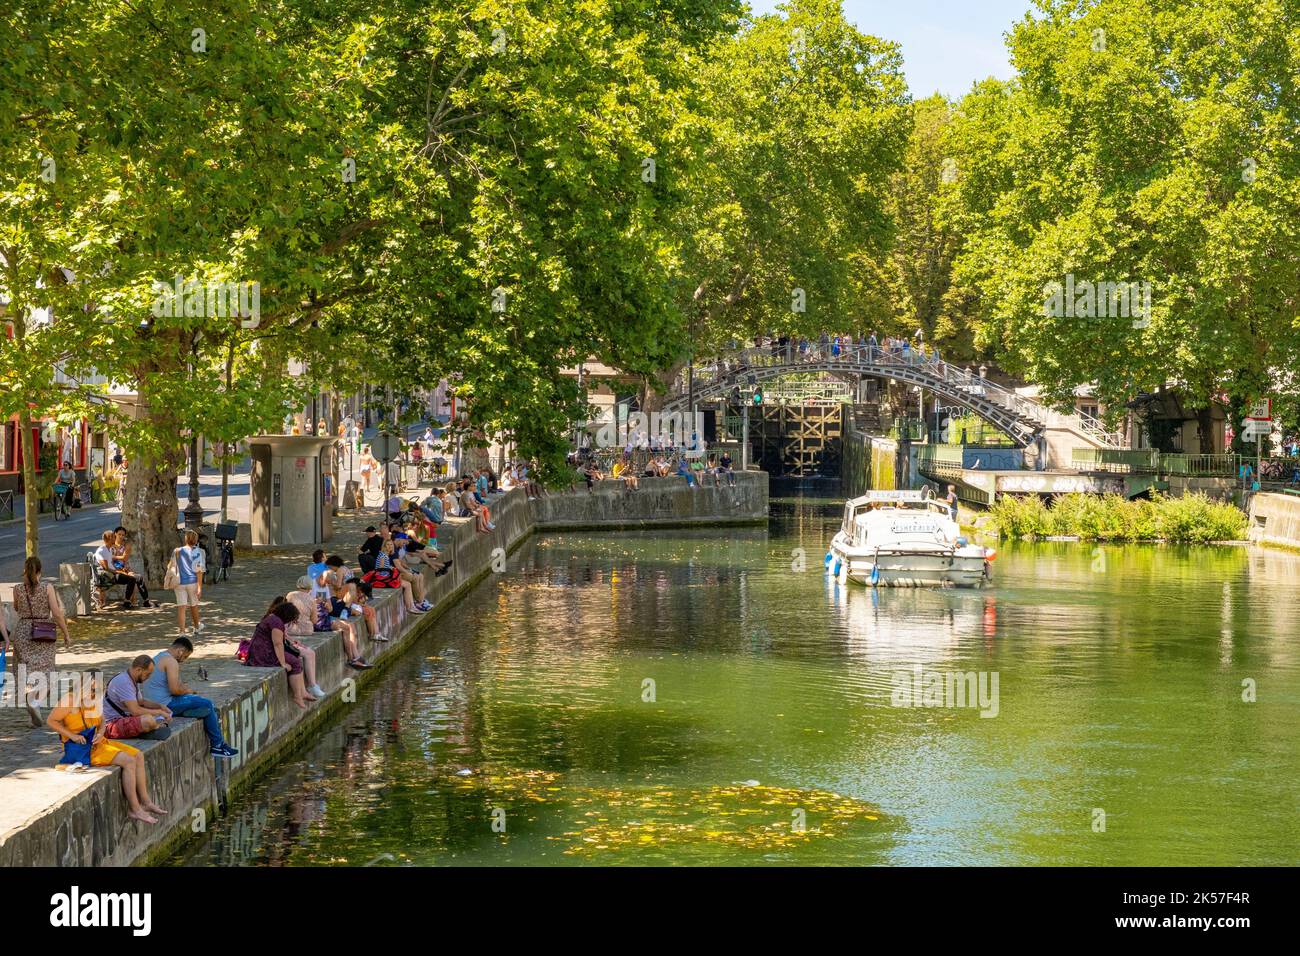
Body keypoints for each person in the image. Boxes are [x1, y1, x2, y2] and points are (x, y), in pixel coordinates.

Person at [47, 671, 166, 824]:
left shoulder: (93, 700)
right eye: (92, 689)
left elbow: (102, 721)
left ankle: (146, 801)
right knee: (129, 761)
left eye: (97, 690)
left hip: (99, 743)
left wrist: (101, 732)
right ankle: (135, 809)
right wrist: (72, 735)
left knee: (138, 755)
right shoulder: (69, 700)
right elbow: (51, 721)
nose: (95, 694)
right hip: (83, 748)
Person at [141, 638, 238, 757]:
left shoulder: (159, 657)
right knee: (207, 704)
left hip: (154, 702)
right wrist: (189, 691)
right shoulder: (171, 661)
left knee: (203, 706)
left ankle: (190, 712)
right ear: (180, 651)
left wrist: (186, 692)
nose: (184, 660)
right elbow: (175, 690)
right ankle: (217, 745)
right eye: (185, 656)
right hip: (165, 704)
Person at [10, 556, 71, 727]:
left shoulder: (17, 588)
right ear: (40, 571)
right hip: (44, 631)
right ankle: (35, 702)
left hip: (23, 631)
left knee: (26, 671)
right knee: (48, 671)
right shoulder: (47, 588)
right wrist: (66, 633)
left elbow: (16, 607)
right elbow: (57, 613)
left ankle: (32, 708)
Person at [248, 602, 317, 708]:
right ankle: (297, 696)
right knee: (295, 662)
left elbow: (282, 638)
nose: (291, 622)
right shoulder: (276, 623)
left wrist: (293, 640)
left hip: (264, 650)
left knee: (296, 659)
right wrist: (283, 663)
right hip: (263, 653)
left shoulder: (274, 619)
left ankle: (302, 692)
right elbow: (278, 644)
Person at [102, 655, 174, 741]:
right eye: (148, 674)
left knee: (151, 716)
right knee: (148, 720)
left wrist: (160, 706)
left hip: (125, 718)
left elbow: (141, 702)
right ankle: (153, 727)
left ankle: (152, 728)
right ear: (139, 670)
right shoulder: (124, 682)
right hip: (111, 725)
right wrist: (159, 712)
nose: (149, 677)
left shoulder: (131, 679)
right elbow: (135, 711)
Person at [172, 530, 205, 636]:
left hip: (180, 582)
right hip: (192, 582)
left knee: (181, 607)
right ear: (196, 540)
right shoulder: (198, 552)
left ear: (185, 539)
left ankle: (182, 631)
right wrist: (200, 587)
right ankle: (196, 627)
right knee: (194, 605)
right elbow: (199, 570)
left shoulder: (177, 550)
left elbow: (171, 566)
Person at [94, 530, 137, 611]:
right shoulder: (101, 551)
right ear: (110, 538)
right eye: (114, 537)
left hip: (112, 573)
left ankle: (128, 601)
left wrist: (121, 569)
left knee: (132, 578)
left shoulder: (109, 549)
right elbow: (106, 568)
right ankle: (127, 601)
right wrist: (119, 572)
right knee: (131, 579)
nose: (116, 539)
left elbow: (111, 564)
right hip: (107, 575)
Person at [112, 529, 152, 608]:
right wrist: (117, 558)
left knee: (139, 577)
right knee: (132, 578)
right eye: (119, 534)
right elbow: (110, 559)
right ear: (115, 534)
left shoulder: (126, 546)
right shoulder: (111, 545)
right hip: (114, 571)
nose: (121, 536)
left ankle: (146, 601)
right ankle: (127, 601)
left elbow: (124, 558)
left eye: (123, 535)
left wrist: (113, 557)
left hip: (125, 569)